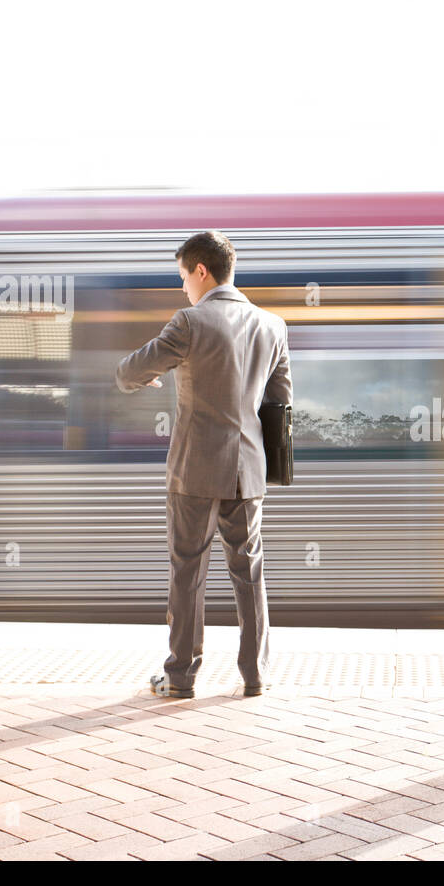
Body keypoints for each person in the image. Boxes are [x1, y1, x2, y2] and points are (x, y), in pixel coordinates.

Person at [116, 230, 291, 699]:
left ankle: (180, 678)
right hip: (248, 471)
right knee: (249, 571)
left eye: (182, 277)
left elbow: (128, 372)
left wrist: (150, 376)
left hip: (194, 470)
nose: (183, 289)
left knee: (187, 571)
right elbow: (280, 405)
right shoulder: (273, 326)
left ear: (200, 270)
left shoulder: (190, 322)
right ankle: (255, 675)